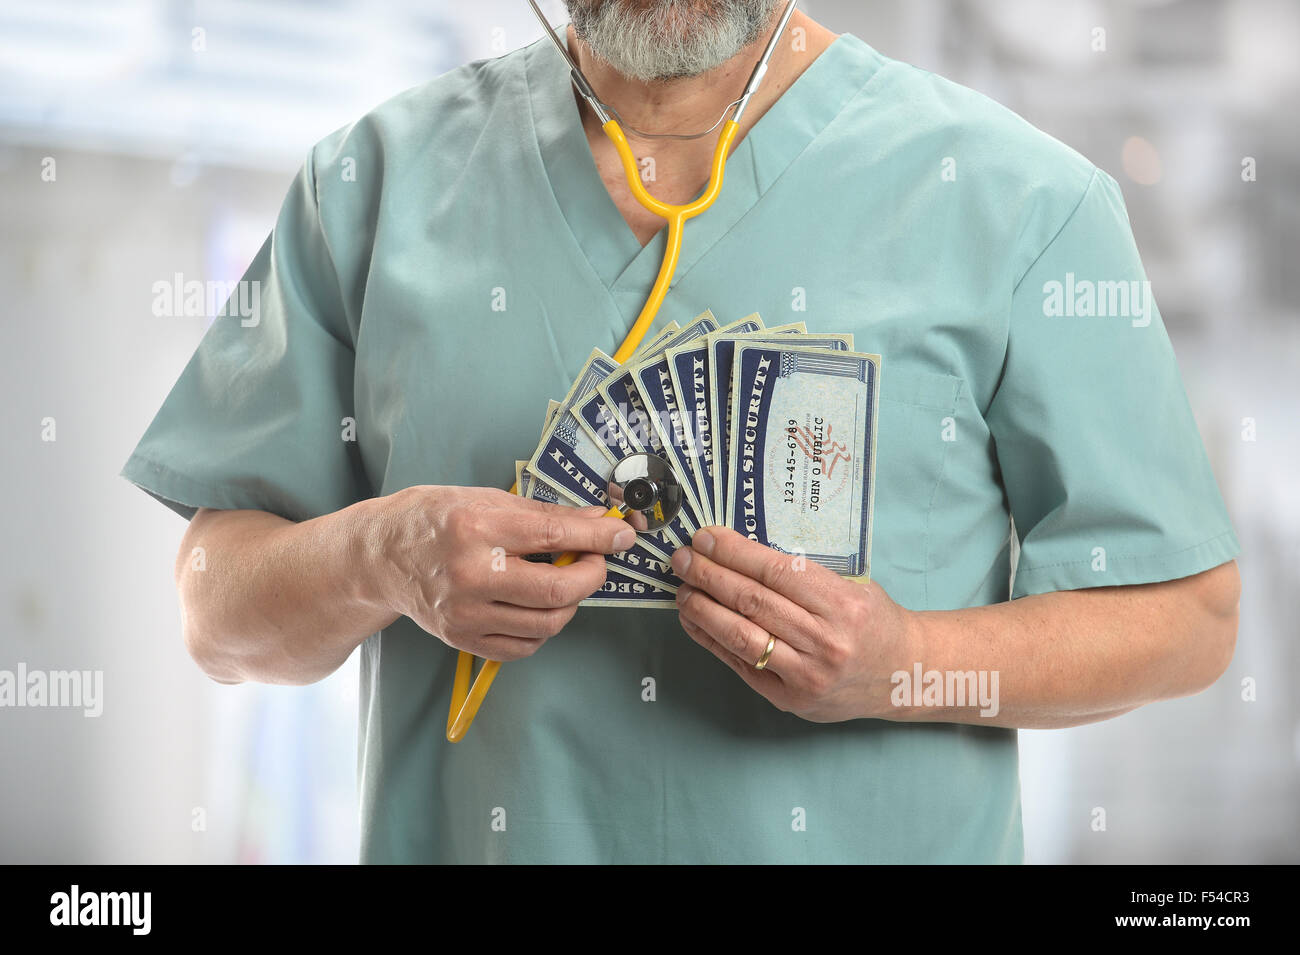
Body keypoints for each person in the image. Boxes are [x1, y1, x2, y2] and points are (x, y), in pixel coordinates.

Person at [120, 0, 1241, 863]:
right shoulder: (367, 188)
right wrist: (381, 556)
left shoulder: (1023, 204)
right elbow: (217, 605)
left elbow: (1186, 615)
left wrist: (908, 667)